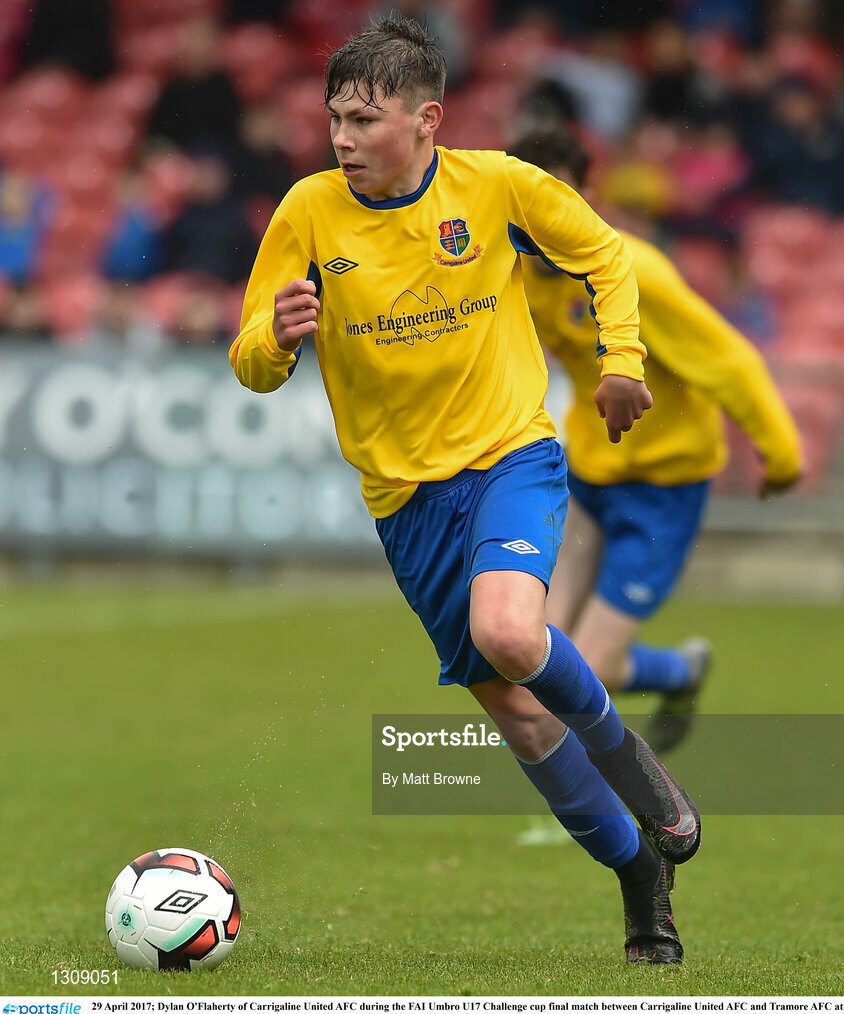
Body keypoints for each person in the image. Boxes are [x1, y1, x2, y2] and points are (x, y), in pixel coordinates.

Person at [230, 15, 700, 965]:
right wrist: (274, 338)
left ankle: (640, 778)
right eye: (334, 119)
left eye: (364, 119)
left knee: (511, 633)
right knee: (518, 714)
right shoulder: (308, 212)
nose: (342, 139)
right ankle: (637, 875)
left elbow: (606, 253)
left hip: (509, 457)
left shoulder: (499, 186)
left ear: (428, 119)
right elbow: (249, 364)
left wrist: (620, 359)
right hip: (405, 503)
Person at [508, 126, 803, 752]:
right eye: (526, 203)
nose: (541, 221)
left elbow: (729, 361)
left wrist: (780, 454)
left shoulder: (632, 272)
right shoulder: (523, 277)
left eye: (555, 198)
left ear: (586, 196)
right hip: (590, 473)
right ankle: (577, 810)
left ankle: (678, 672)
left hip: (666, 485)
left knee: (589, 667)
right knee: (532, 651)